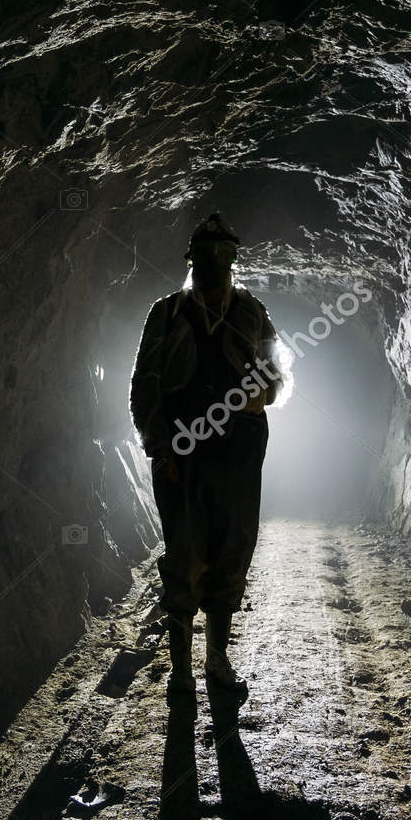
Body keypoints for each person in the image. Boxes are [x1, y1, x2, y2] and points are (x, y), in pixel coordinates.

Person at [128, 214, 285, 703]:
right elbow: (145, 385)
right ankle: (181, 675)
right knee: (184, 557)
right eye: (205, 256)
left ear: (234, 261)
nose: (214, 265)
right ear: (191, 261)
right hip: (182, 452)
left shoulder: (252, 312)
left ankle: (217, 660)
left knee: (232, 551)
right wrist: (161, 447)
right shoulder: (168, 313)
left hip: (237, 454)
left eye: (222, 255)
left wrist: (260, 392)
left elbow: (276, 381)